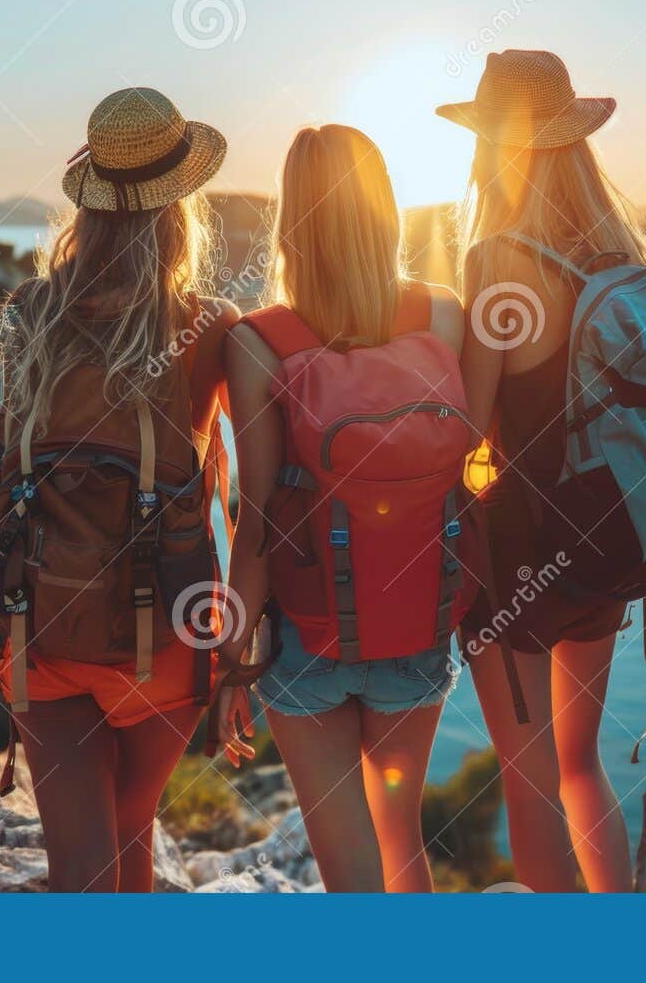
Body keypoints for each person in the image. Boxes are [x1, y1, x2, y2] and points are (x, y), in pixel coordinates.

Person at [0, 87, 249, 892]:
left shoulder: (32, 313)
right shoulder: (211, 327)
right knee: (131, 834)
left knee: (81, 869)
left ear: (90, 206)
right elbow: (262, 495)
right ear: (179, 213)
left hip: (44, 633)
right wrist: (243, 649)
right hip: (167, 643)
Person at [439, 49, 646, 892]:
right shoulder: (622, 256)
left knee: (529, 784)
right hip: (612, 539)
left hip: (520, 556)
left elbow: (469, 427)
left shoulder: (497, 258)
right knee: (581, 764)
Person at [216, 124, 468, 893]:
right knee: (402, 841)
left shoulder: (260, 340)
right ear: (384, 211)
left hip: (306, 639)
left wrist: (233, 659)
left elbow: (256, 519)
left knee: (346, 860)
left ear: (293, 221)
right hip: (418, 625)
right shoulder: (443, 316)